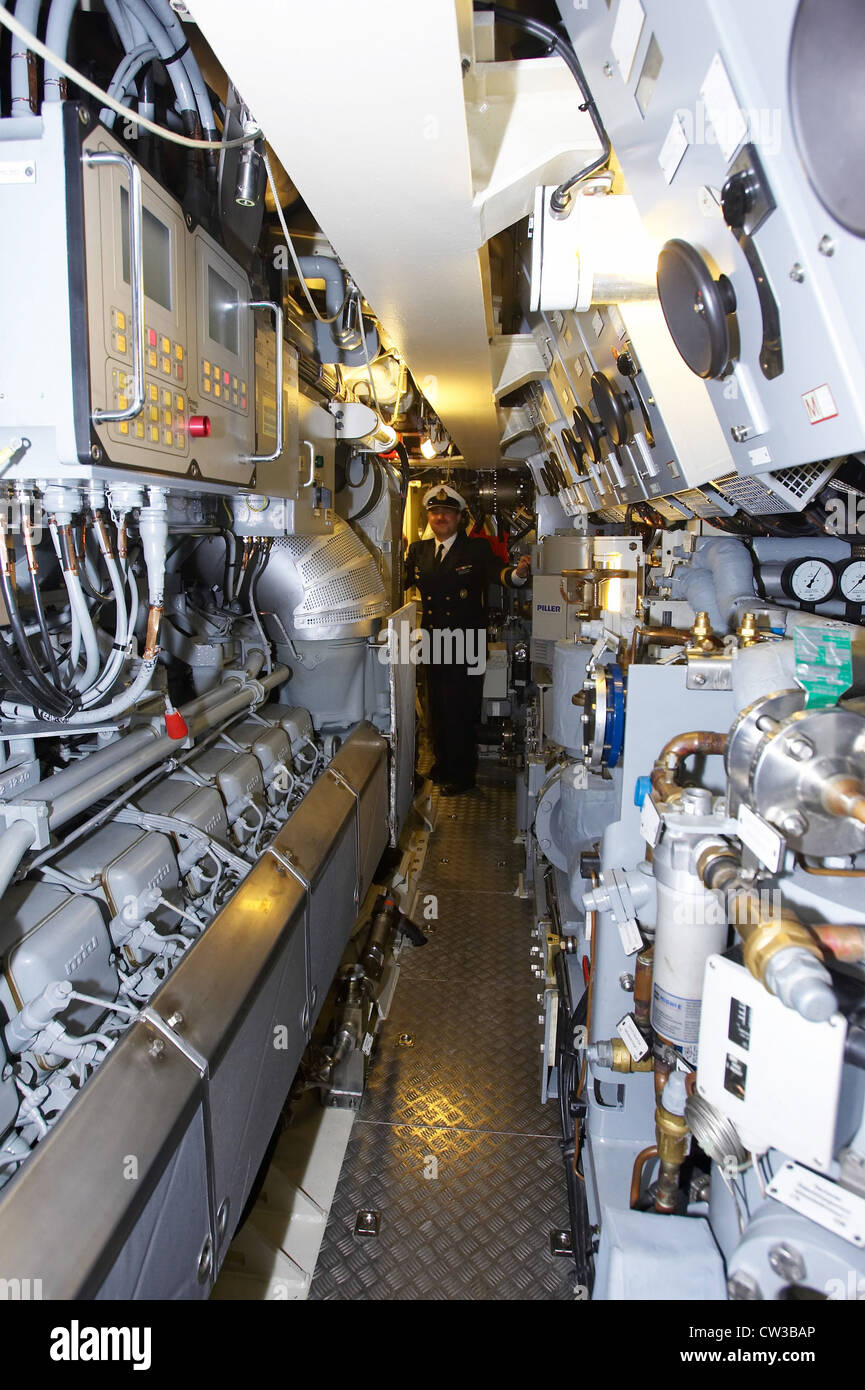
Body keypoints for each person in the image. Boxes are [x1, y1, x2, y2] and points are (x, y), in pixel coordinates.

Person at [404, 483, 531, 796]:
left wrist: (519, 574)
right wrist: (393, 552)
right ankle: (443, 765)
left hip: (466, 642)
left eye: (447, 512)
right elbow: (402, 578)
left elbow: (501, 575)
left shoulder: (475, 549)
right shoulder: (419, 551)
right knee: (437, 708)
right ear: (429, 516)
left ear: (459, 517)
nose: (440, 517)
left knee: (461, 709)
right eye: (435, 512)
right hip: (434, 641)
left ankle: (463, 776)